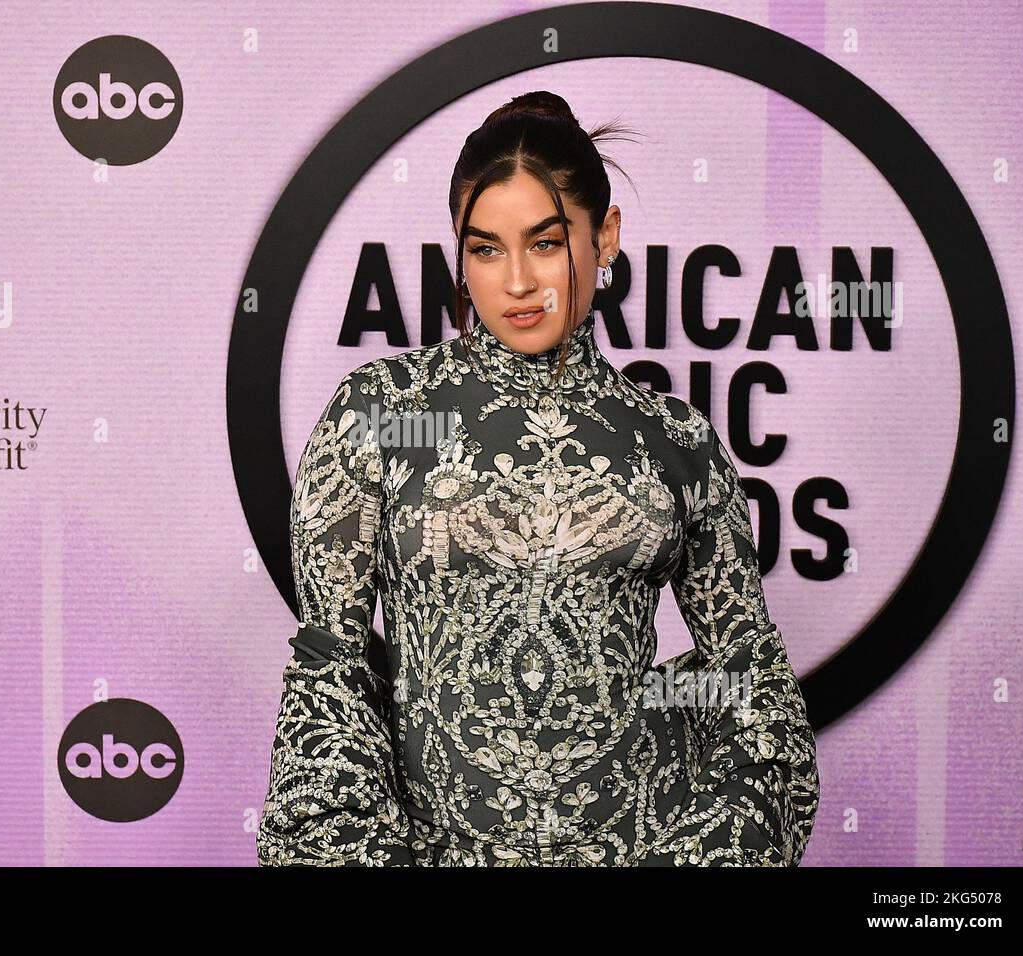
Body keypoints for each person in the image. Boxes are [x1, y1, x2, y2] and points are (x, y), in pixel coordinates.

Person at [256, 90, 819, 866]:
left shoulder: (673, 441)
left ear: (605, 236)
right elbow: (331, 678)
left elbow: (747, 685)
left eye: (545, 243)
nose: (516, 281)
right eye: (484, 249)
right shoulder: (382, 416)